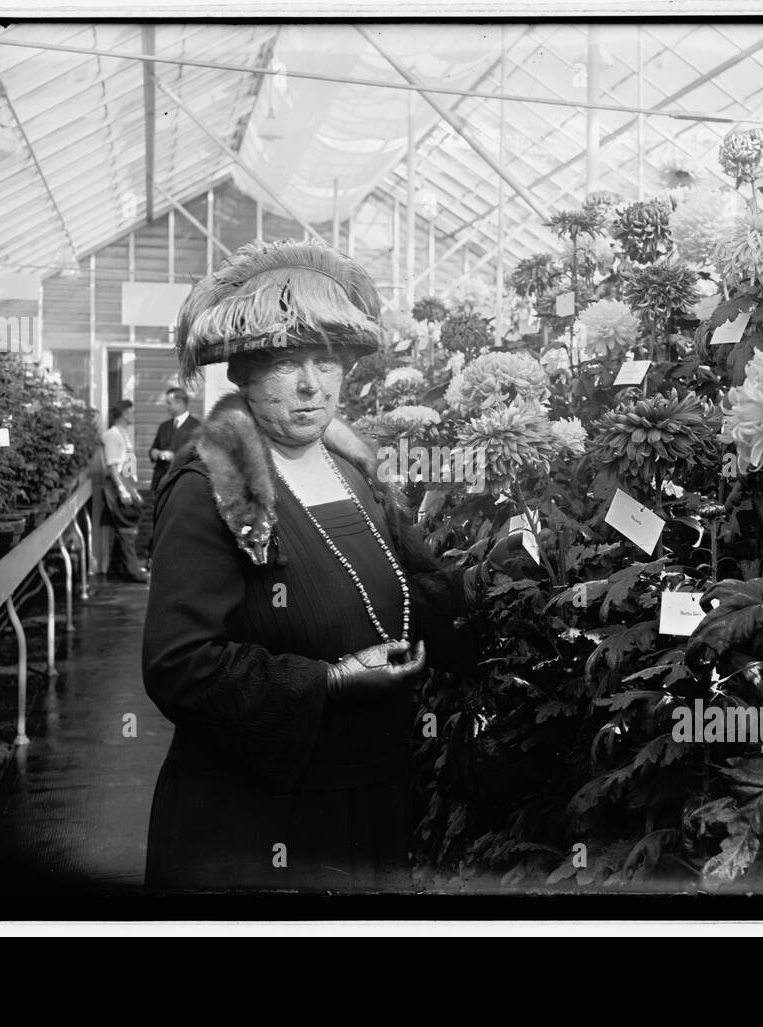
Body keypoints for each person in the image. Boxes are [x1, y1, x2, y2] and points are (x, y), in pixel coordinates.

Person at [142, 240, 524, 892]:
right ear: (243, 374)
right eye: (287, 363)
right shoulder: (215, 482)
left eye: (325, 361)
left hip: (368, 798)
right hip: (257, 820)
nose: (311, 385)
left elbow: (409, 592)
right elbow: (178, 662)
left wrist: (508, 576)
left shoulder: (353, 468)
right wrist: (330, 681)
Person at [101, 402, 150, 584]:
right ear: (122, 414)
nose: (133, 415)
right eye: (130, 412)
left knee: (124, 527)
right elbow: (113, 467)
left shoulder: (124, 435)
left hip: (127, 483)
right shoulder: (113, 435)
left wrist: (133, 489)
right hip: (117, 485)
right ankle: (132, 570)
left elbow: (127, 466)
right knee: (127, 528)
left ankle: (117, 568)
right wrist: (122, 490)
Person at [148, 387, 201, 490]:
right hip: (160, 483)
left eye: (169, 403)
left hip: (183, 484)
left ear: (179, 403)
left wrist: (174, 456)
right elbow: (154, 448)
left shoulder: (197, 427)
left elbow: (198, 457)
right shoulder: (164, 426)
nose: (166, 406)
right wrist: (153, 452)